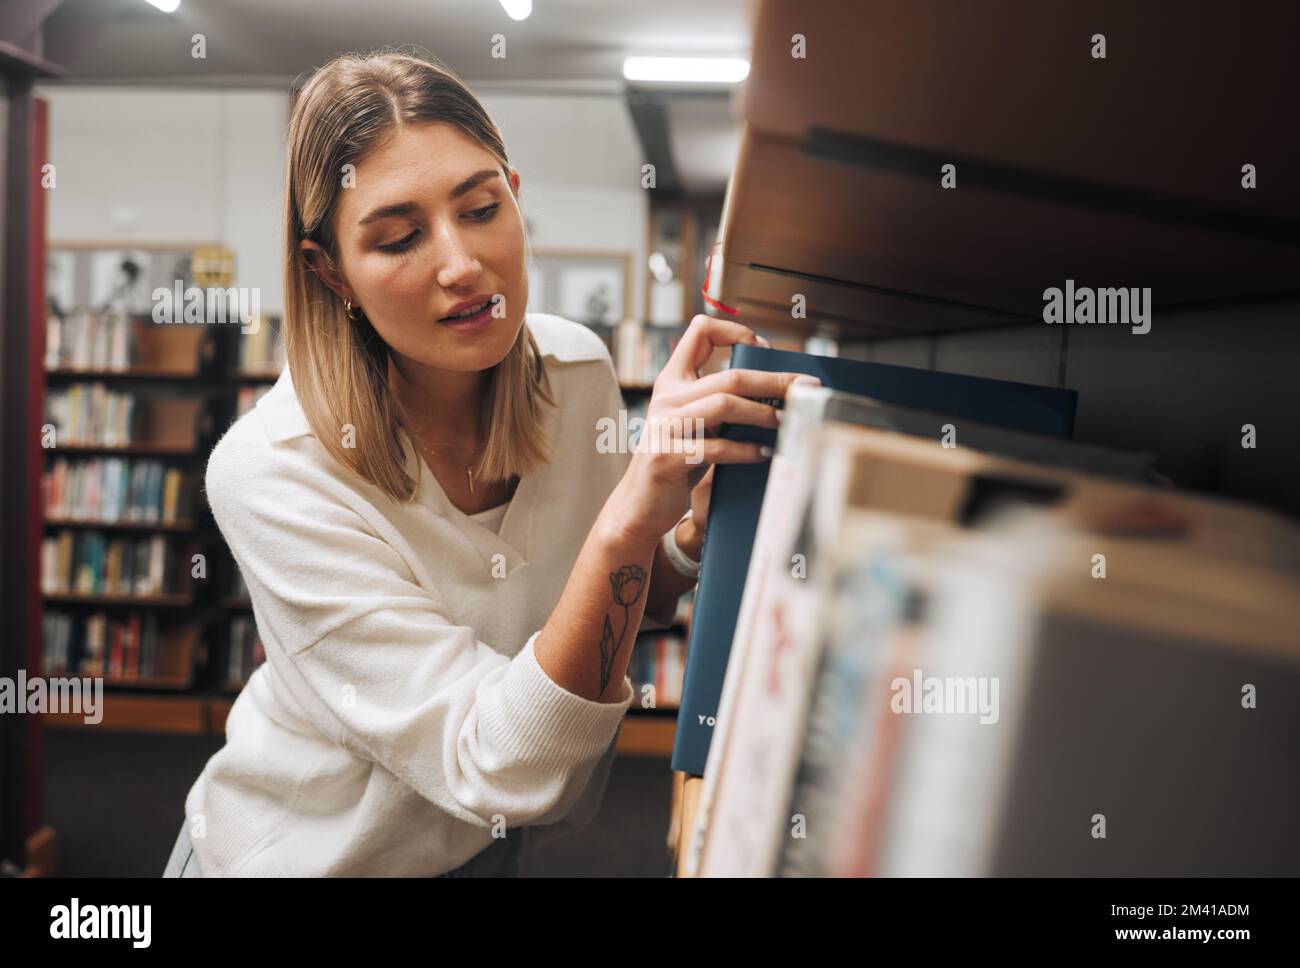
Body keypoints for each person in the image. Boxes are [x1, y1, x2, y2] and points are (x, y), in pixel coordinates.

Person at [162, 47, 811, 877]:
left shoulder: (575, 370)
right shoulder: (273, 469)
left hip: (486, 852)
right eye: (399, 238)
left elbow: (601, 615)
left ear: (515, 193)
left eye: (479, 208)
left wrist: (685, 532)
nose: (463, 265)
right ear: (330, 275)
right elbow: (495, 762)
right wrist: (626, 521)